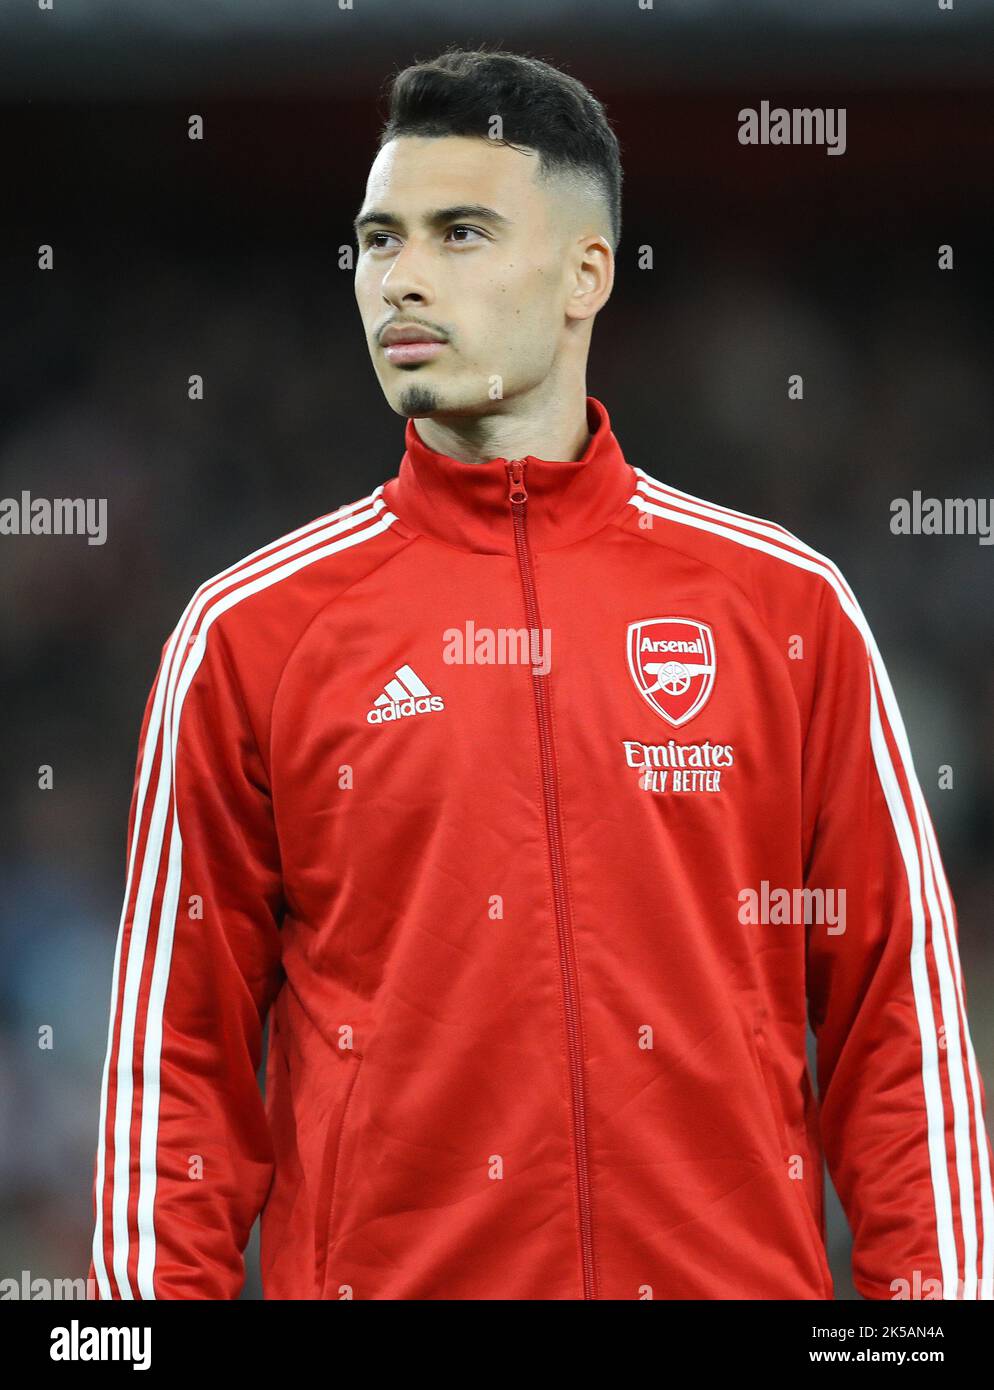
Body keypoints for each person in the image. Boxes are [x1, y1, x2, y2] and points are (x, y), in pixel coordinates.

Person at [88, 47, 993, 1301]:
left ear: (585, 274)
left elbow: (898, 1033)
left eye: (460, 232)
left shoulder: (785, 610)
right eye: (376, 239)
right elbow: (173, 1065)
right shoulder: (248, 633)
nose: (400, 277)